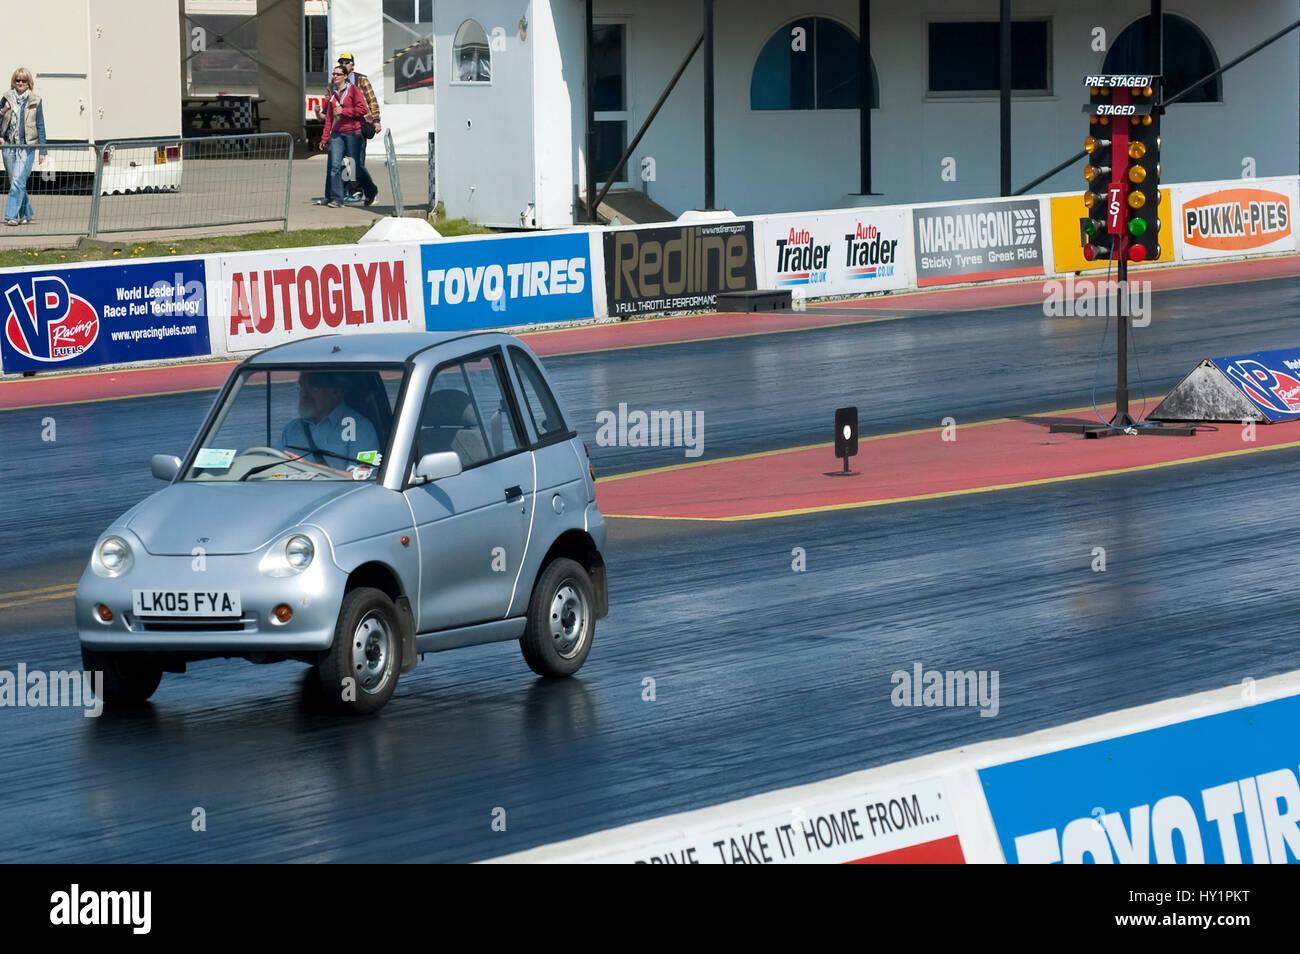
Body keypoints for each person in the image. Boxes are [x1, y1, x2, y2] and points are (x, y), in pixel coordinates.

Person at [279, 371, 380, 469]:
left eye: (314, 388)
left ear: (335, 392)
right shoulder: (292, 429)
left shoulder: (361, 428)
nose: (304, 394)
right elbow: (274, 463)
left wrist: (311, 468)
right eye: (301, 387)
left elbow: (362, 478)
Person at [0, 68, 47, 226]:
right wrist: (4, 110)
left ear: (29, 83)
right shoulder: (6, 98)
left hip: (27, 147)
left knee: (17, 182)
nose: (20, 83)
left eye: (24, 81)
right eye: (18, 80)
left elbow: (40, 126)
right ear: (14, 82)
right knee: (15, 181)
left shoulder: (36, 101)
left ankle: (11, 216)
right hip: (8, 146)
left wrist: (42, 151)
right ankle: (26, 213)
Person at [318, 66, 368, 208]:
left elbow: (362, 109)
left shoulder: (353, 90)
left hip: (353, 133)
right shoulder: (333, 95)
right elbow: (329, 118)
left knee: (354, 165)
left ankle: (366, 191)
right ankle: (336, 199)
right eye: (334, 74)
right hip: (337, 134)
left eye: (338, 74)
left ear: (345, 76)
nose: (335, 76)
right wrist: (324, 138)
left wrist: (345, 111)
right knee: (334, 167)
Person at [336, 52, 380, 205]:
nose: (344, 64)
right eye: (341, 62)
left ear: (352, 65)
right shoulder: (338, 80)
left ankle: (363, 190)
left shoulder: (361, 80)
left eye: (347, 62)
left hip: (360, 124)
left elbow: (372, 100)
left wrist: (376, 120)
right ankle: (349, 189)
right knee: (343, 160)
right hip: (343, 125)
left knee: (357, 160)